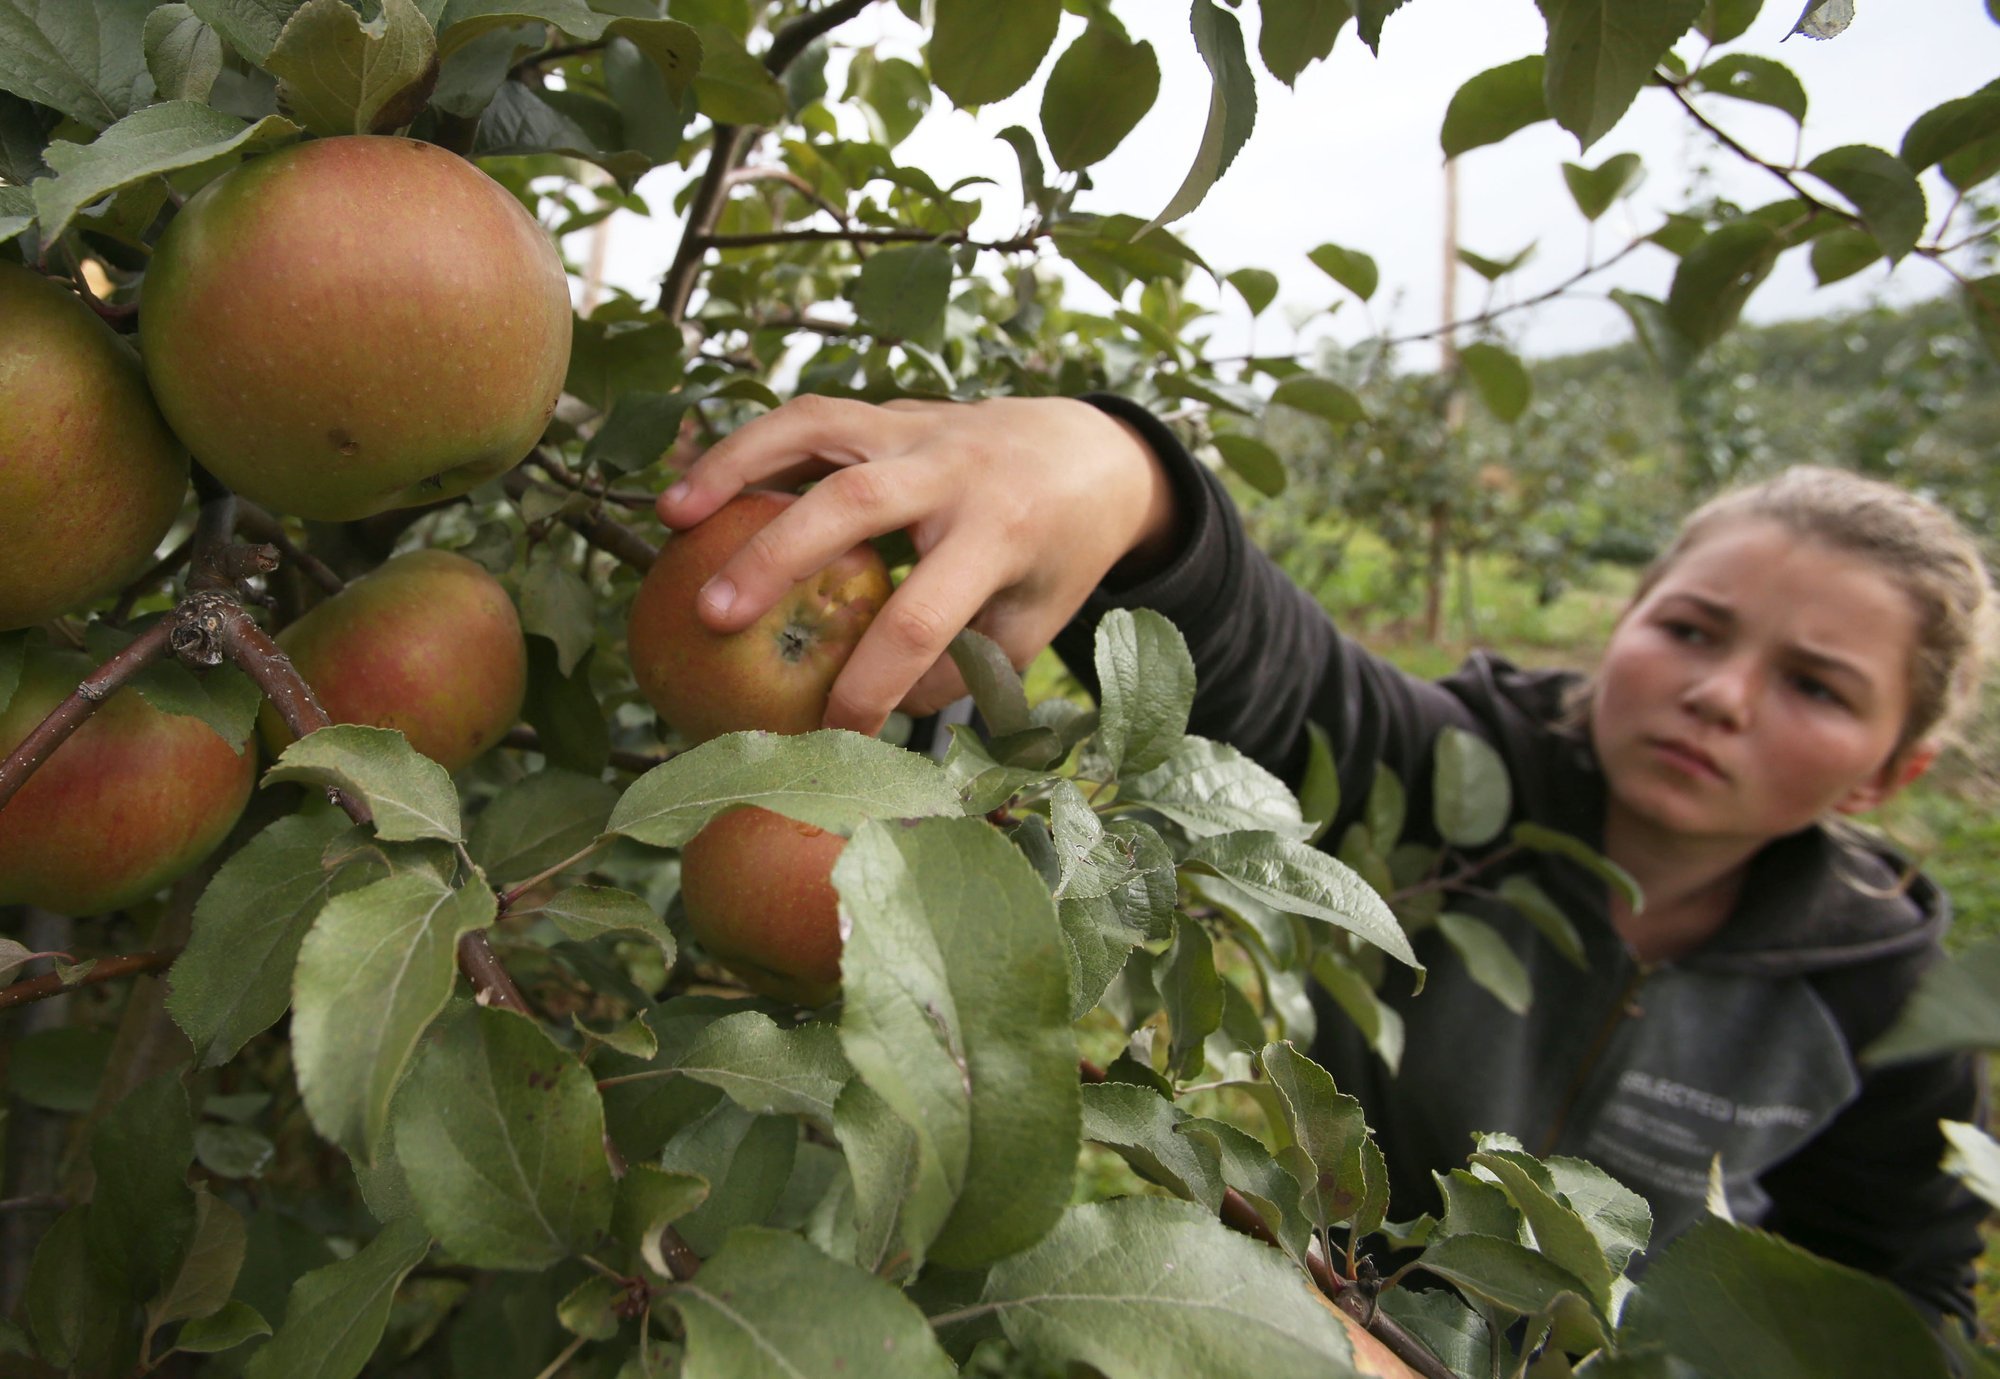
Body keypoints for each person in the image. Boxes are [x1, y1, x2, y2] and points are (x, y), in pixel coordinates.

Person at [653, 392, 1992, 1324]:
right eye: (1692, 630)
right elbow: (1267, 660)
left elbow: (1889, 1293)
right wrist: (1114, 473)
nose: (1722, 695)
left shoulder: (1882, 1002)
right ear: (1627, 617)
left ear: (1891, 771)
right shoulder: (1454, 787)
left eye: (1815, 687)